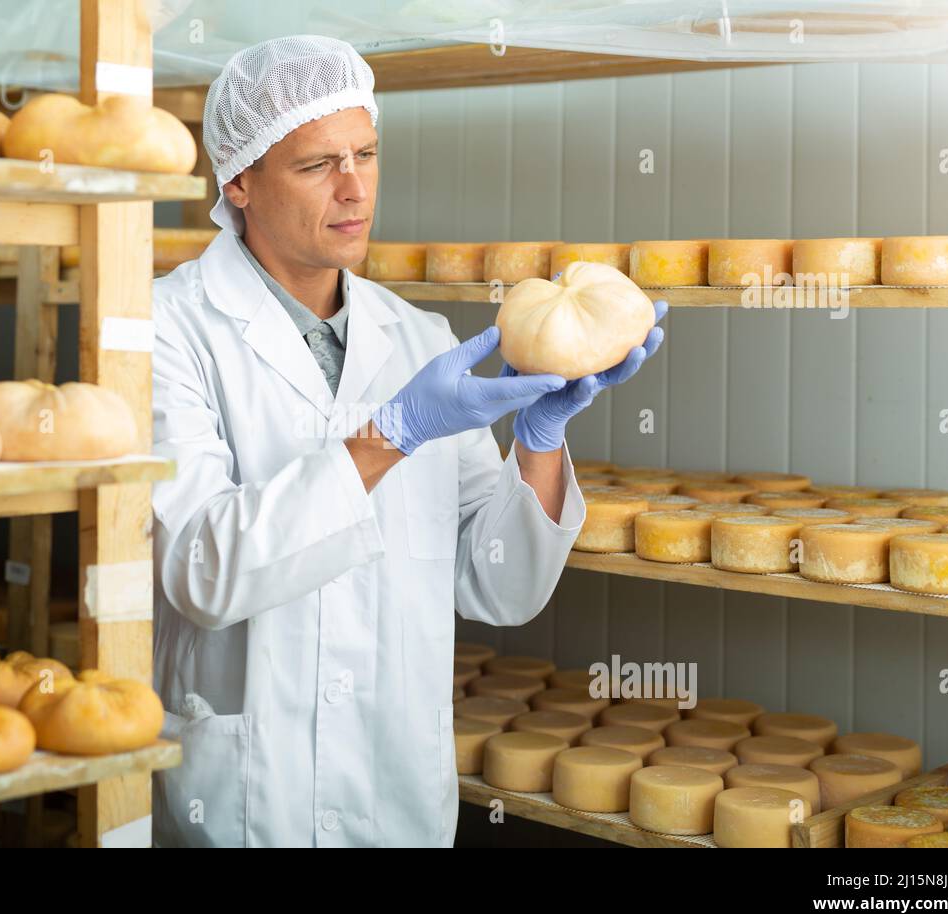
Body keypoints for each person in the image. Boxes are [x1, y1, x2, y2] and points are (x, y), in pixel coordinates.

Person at [150, 35, 665, 847]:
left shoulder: (418, 338)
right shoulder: (167, 329)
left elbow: (496, 589)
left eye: (366, 153)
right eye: (318, 164)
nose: (354, 187)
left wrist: (538, 438)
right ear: (240, 180)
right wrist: (390, 434)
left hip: (394, 794)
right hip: (247, 796)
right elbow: (203, 572)